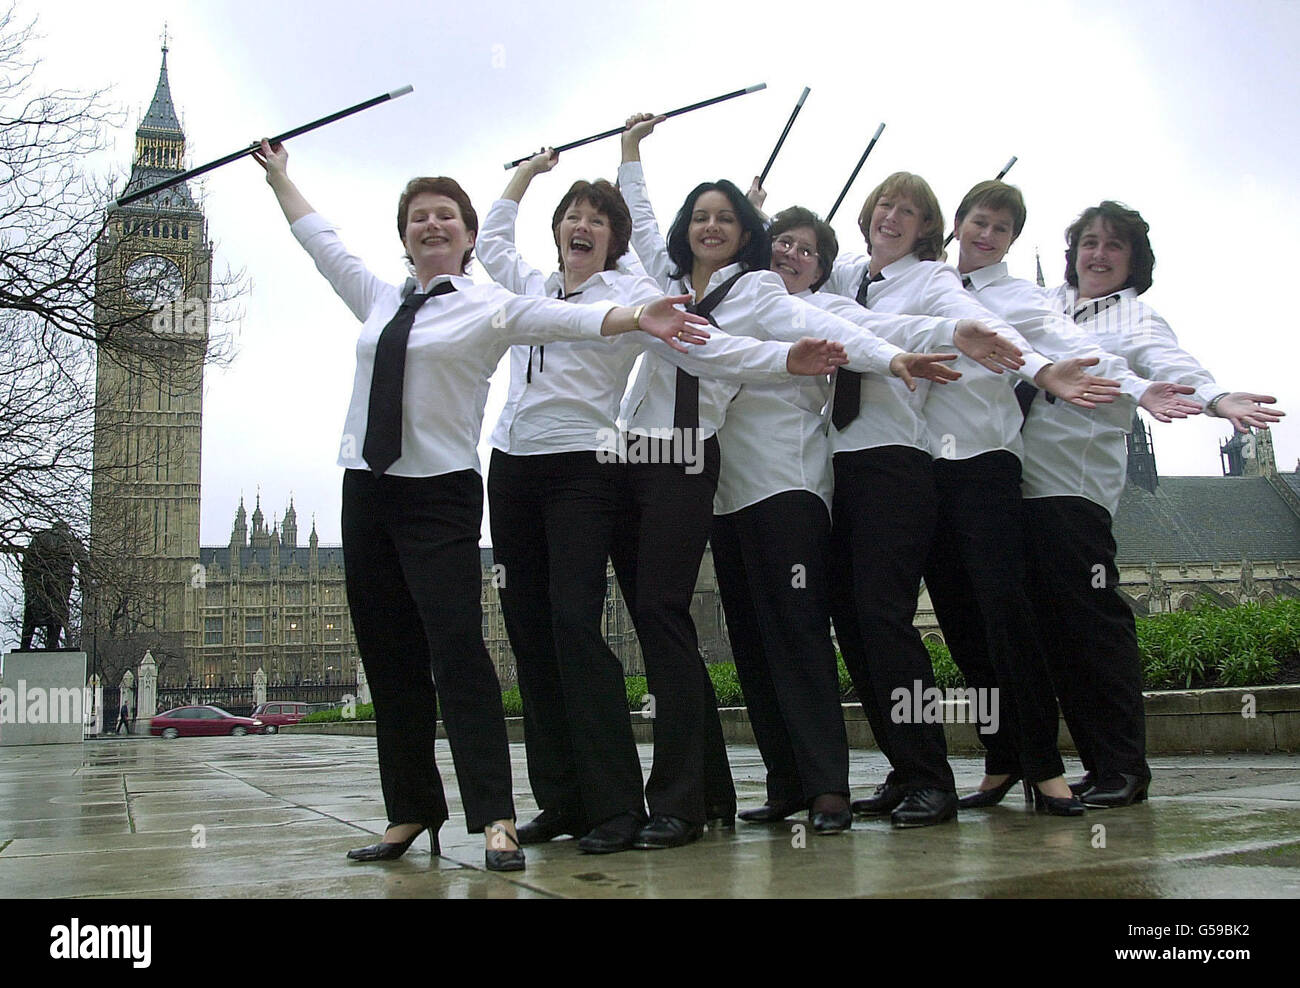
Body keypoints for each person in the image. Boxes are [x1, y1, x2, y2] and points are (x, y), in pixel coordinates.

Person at [251, 138, 711, 871]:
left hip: (484, 484)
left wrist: (633, 320)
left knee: (485, 646)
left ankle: (535, 810)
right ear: (404, 236)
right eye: (417, 219)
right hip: (405, 481)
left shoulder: (502, 302)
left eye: (446, 218)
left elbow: (566, 322)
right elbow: (323, 244)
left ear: (466, 238)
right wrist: (282, 180)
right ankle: (429, 810)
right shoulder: (386, 296)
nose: (431, 227)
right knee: (423, 647)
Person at [619, 119, 1013, 835]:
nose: (792, 254)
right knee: (756, 641)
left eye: (807, 248)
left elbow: (867, 336)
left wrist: (900, 357)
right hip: (725, 490)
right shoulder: (702, 293)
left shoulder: (809, 303)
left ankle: (836, 784)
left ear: (823, 265)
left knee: (813, 633)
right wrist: (631, 155)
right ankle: (790, 781)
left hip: (795, 486)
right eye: (783, 243)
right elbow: (649, 230)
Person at [476, 149, 847, 854]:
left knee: (652, 614)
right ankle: (685, 791)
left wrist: (791, 360)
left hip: (661, 457)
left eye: (727, 219)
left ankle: (667, 801)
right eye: (571, 218)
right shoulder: (569, 283)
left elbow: (719, 352)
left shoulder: (647, 297)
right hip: (614, 458)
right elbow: (512, 239)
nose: (582, 226)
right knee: (594, 628)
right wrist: (596, 159)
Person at [823, 172, 1122, 820]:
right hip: (921, 467)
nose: (893, 217)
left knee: (1002, 615)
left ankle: (1042, 767)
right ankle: (998, 756)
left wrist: (1042, 370)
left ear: (931, 228)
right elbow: (806, 292)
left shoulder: (939, 283)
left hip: (977, 463)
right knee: (959, 625)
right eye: (885, 205)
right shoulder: (847, 276)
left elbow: (975, 322)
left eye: (908, 211)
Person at [1016, 201, 1283, 807]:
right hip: (1015, 483)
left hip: (1072, 487)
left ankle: (1122, 767)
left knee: (1091, 629)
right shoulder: (1046, 305)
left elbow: (1175, 368)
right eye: (1089, 243)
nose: (1098, 255)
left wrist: (1216, 399)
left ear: (1134, 260)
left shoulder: (1136, 319)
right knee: (1050, 634)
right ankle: (1093, 761)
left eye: (1114, 246)